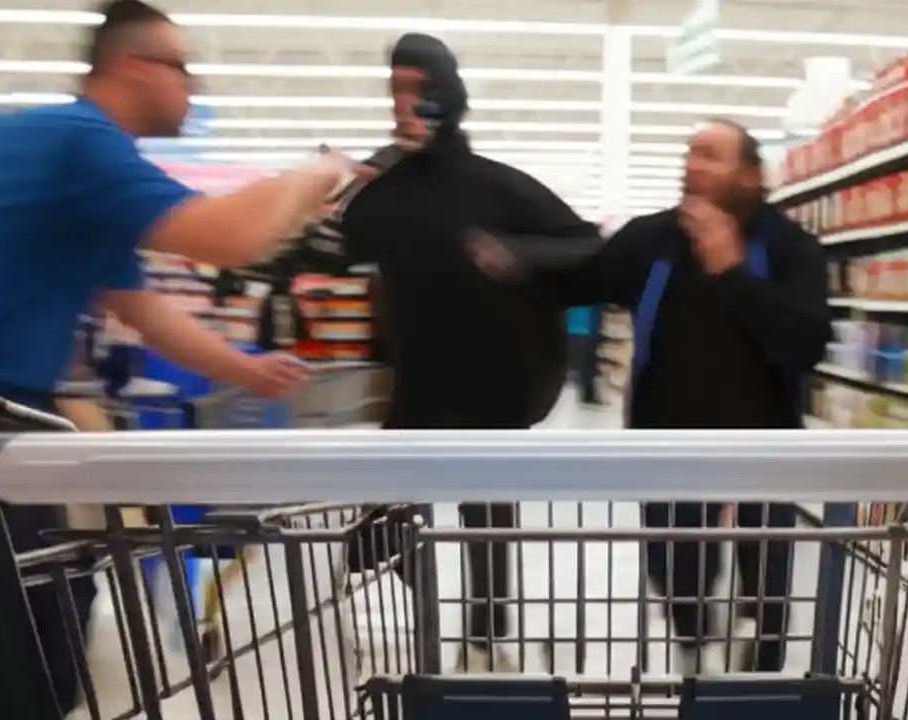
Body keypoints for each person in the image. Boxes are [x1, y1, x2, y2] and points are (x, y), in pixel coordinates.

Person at [0, 0, 358, 716]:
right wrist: (314, 173)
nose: (193, 87)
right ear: (132, 67)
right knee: (4, 658)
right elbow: (223, 237)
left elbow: (140, 307)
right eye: (182, 67)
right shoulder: (82, 141)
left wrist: (249, 371)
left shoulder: (30, 147)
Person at [473, 118, 831, 673]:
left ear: (751, 176)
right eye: (690, 153)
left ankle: (759, 674)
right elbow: (581, 274)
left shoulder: (792, 250)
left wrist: (731, 271)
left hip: (766, 446)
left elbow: (806, 343)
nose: (693, 164)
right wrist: (512, 262)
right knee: (676, 573)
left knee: (769, 587)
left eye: (711, 155)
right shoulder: (652, 239)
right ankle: (695, 657)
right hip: (668, 447)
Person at [339, 32, 603, 672]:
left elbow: (588, 247)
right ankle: (433, 617)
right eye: (396, 89)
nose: (406, 103)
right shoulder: (384, 190)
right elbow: (324, 247)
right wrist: (337, 186)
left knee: (488, 525)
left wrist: (519, 256)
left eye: (418, 88)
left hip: (497, 391)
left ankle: (483, 639)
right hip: (421, 391)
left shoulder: (500, 188)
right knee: (376, 530)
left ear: (446, 93)